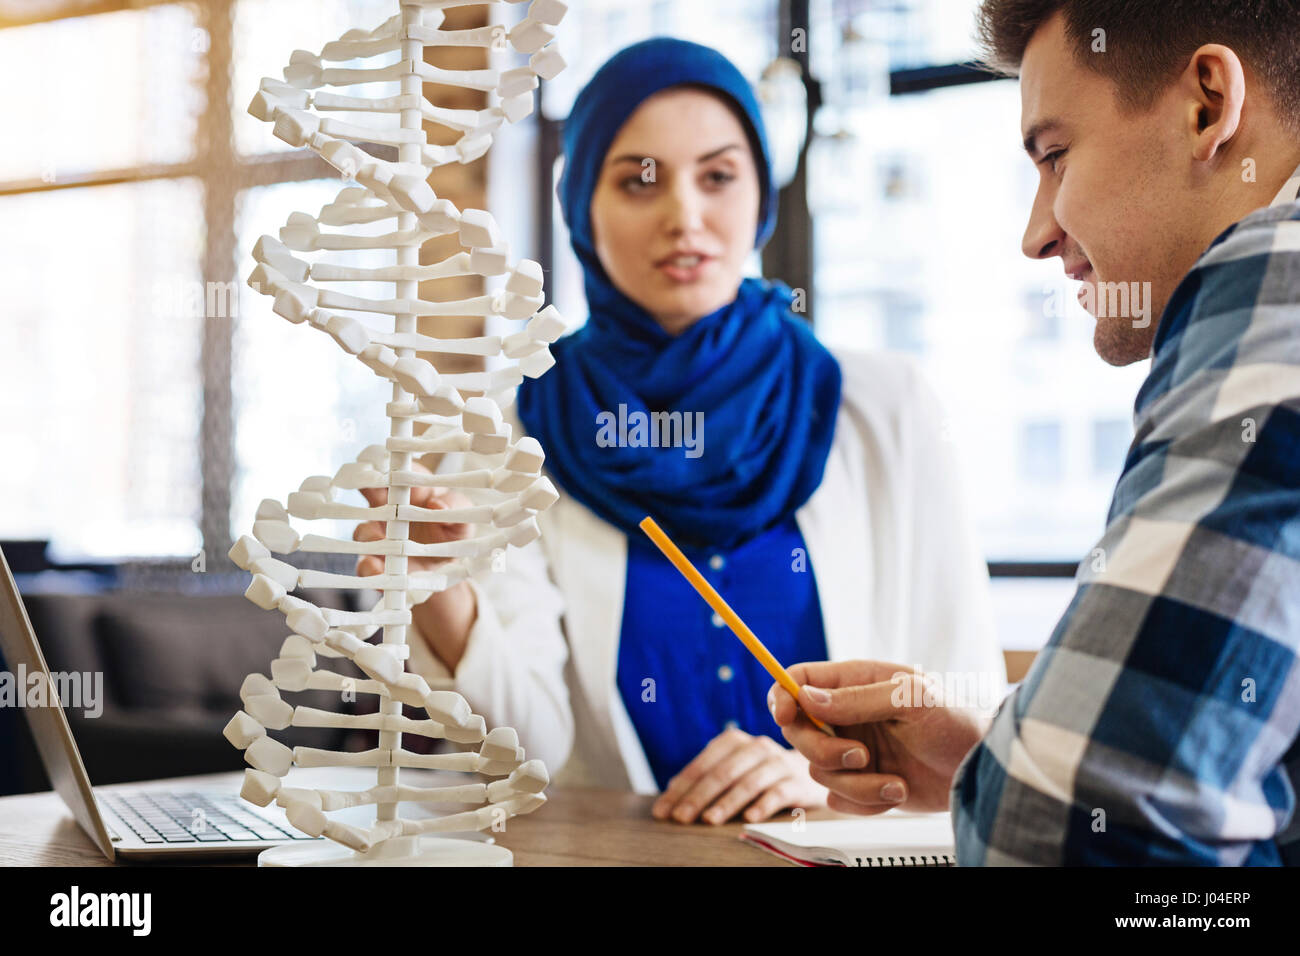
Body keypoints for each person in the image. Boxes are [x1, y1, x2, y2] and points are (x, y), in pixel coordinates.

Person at [354, 37, 1005, 825]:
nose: (685, 216)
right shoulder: (510, 428)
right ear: (582, 209)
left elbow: (966, 704)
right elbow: (529, 753)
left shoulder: (886, 407)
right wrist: (440, 594)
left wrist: (836, 791)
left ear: (761, 194)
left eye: (720, 176)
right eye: (638, 182)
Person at [773, 0, 1300, 864]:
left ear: (1208, 104)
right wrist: (989, 758)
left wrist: (1018, 784)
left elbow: (1070, 828)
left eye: (1055, 157)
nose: (1036, 233)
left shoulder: (1276, 273)